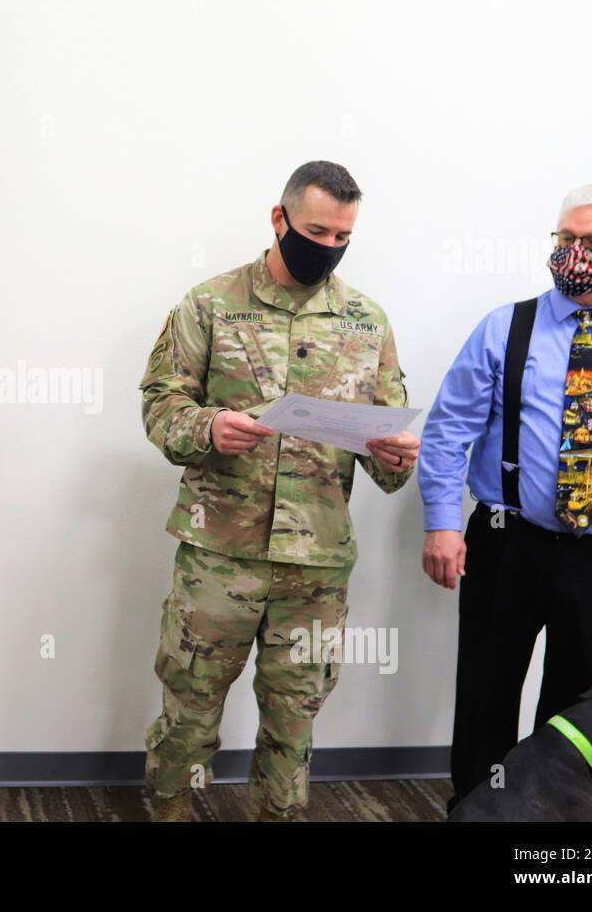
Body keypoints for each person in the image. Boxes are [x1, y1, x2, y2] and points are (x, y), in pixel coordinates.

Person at [139, 160, 420, 821]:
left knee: (294, 723)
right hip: (220, 556)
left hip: (316, 565)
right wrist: (208, 426)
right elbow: (160, 405)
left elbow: (390, 458)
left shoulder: (366, 321)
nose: (327, 246)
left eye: (342, 236)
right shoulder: (208, 304)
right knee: (190, 711)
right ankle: (171, 807)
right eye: (316, 229)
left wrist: (396, 455)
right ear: (280, 218)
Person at [418, 183, 592, 814]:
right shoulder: (505, 328)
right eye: (566, 239)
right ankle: (479, 811)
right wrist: (441, 524)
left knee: (581, 717)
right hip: (505, 542)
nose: (575, 253)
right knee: (486, 699)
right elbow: (447, 431)